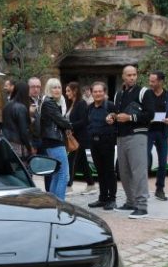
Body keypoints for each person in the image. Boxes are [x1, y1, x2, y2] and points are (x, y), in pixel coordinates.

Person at [110, 65, 155, 219]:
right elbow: (116, 113)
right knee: (124, 172)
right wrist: (112, 117)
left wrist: (130, 117)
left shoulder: (144, 92)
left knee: (138, 172)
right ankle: (130, 202)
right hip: (121, 136)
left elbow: (150, 115)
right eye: (129, 75)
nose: (132, 77)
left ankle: (142, 206)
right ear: (123, 76)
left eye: (134, 74)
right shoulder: (119, 94)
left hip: (137, 135)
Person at [86, 82, 118, 210]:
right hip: (94, 143)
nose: (98, 94)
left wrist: (113, 118)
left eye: (100, 91)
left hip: (107, 143)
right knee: (99, 171)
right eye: (95, 91)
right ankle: (103, 198)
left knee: (109, 171)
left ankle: (112, 199)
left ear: (104, 92)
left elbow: (117, 120)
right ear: (91, 93)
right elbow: (87, 123)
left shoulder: (110, 105)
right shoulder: (90, 107)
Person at [40, 78, 73, 200]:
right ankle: (60, 203)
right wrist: (71, 125)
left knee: (57, 174)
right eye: (54, 87)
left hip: (52, 141)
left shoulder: (53, 102)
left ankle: (54, 202)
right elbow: (61, 121)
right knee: (64, 175)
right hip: (54, 141)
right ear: (49, 89)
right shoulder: (49, 103)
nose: (57, 90)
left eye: (59, 87)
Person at [147, 71, 168, 201]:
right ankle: (142, 189)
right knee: (144, 161)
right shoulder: (146, 95)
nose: (150, 83)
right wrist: (147, 118)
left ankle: (160, 189)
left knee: (163, 163)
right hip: (148, 131)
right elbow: (140, 111)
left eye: (153, 81)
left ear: (160, 82)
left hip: (163, 132)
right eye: (150, 81)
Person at [64, 81, 96, 194]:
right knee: (83, 162)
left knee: (71, 161)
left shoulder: (81, 103)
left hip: (81, 138)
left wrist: (70, 126)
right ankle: (91, 185)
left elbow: (84, 121)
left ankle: (68, 186)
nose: (66, 93)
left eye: (68, 91)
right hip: (74, 137)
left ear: (75, 91)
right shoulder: (70, 104)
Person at [1, 81, 34, 159]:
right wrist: (29, 148)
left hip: (7, 143)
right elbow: (23, 132)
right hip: (19, 146)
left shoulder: (7, 105)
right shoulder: (21, 108)